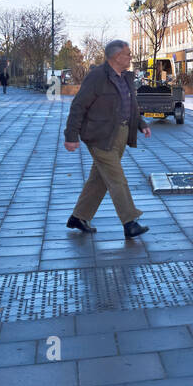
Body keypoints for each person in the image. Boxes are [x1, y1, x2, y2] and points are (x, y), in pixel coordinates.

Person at [63, 40, 151, 238]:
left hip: (120, 134)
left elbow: (131, 104)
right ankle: (130, 222)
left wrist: (141, 124)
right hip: (98, 135)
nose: (130, 57)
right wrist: (71, 136)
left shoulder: (126, 77)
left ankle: (79, 216)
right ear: (116, 56)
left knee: (100, 178)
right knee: (116, 178)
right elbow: (78, 106)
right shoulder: (97, 77)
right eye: (128, 54)